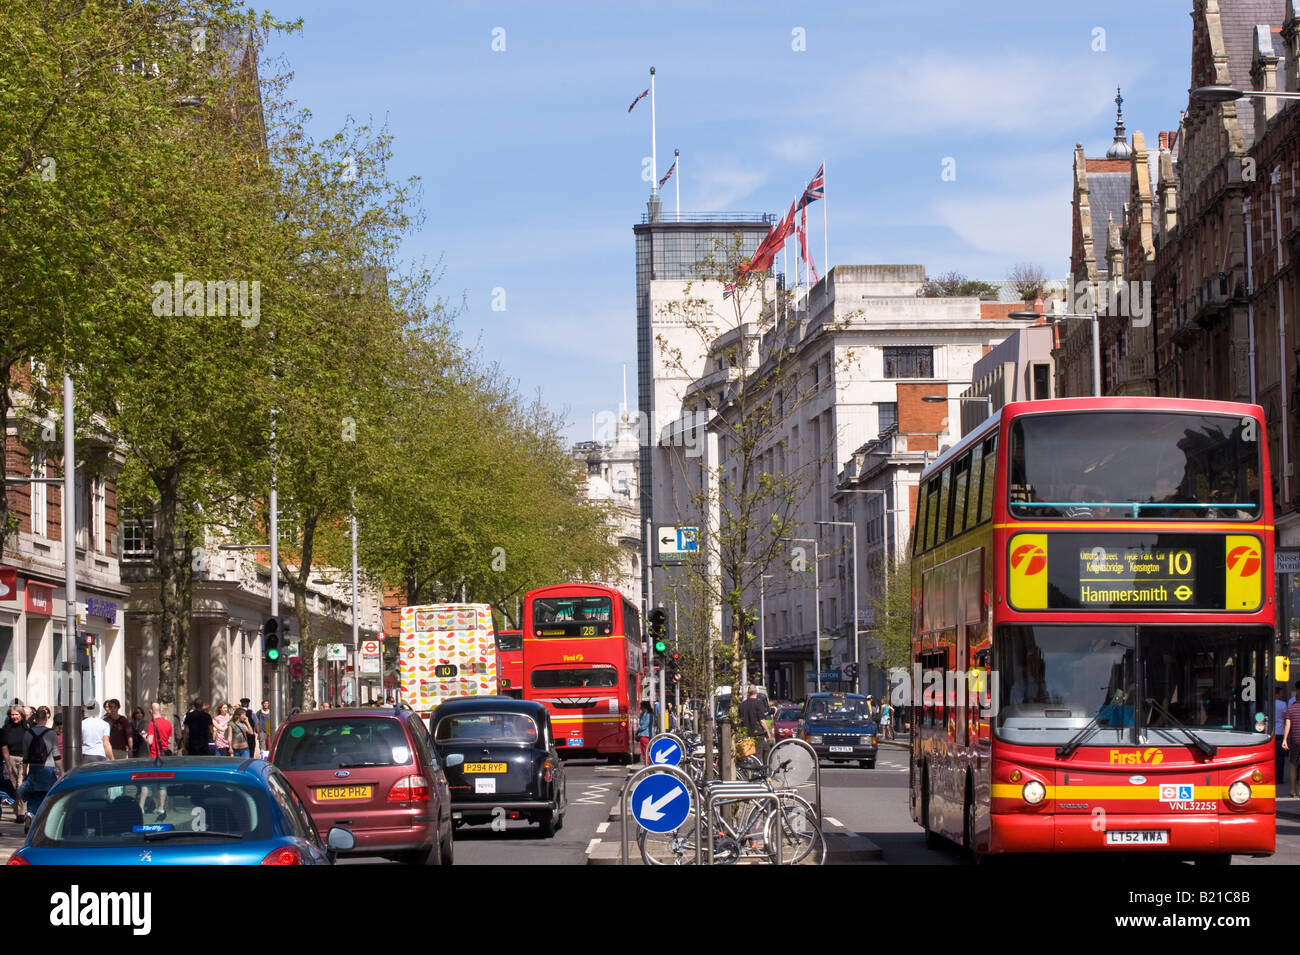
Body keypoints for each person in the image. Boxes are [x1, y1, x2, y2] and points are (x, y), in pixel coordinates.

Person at [19, 707, 59, 828]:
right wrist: (62, 771)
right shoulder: (51, 733)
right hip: (48, 768)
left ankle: (30, 813)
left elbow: (25, 755)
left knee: (33, 793)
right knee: (47, 795)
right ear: (47, 718)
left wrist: (24, 771)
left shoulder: (28, 733)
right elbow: (56, 755)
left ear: (35, 719)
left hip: (34, 768)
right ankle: (43, 820)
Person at [1, 706, 29, 823]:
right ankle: (17, 811)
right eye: (12, 715)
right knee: (13, 787)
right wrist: (7, 763)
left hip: (23, 759)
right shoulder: (6, 729)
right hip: (10, 759)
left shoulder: (27, 728)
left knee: (21, 786)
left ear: (21, 715)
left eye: (16, 714)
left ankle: (21, 813)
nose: (14, 717)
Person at [738, 685, 772, 763]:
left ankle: (765, 768)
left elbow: (740, 720)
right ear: (756, 692)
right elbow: (762, 720)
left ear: (748, 693)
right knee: (758, 755)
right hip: (758, 733)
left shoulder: (742, 705)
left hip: (747, 733)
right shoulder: (758, 703)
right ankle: (760, 771)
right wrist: (767, 731)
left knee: (767, 749)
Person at [1283, 693, 1300, 798]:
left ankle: (1293, 790)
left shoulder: (1291, 709)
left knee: (1293, 766)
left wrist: (1284, 739)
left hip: (1294, 741)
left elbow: (1287, 724)